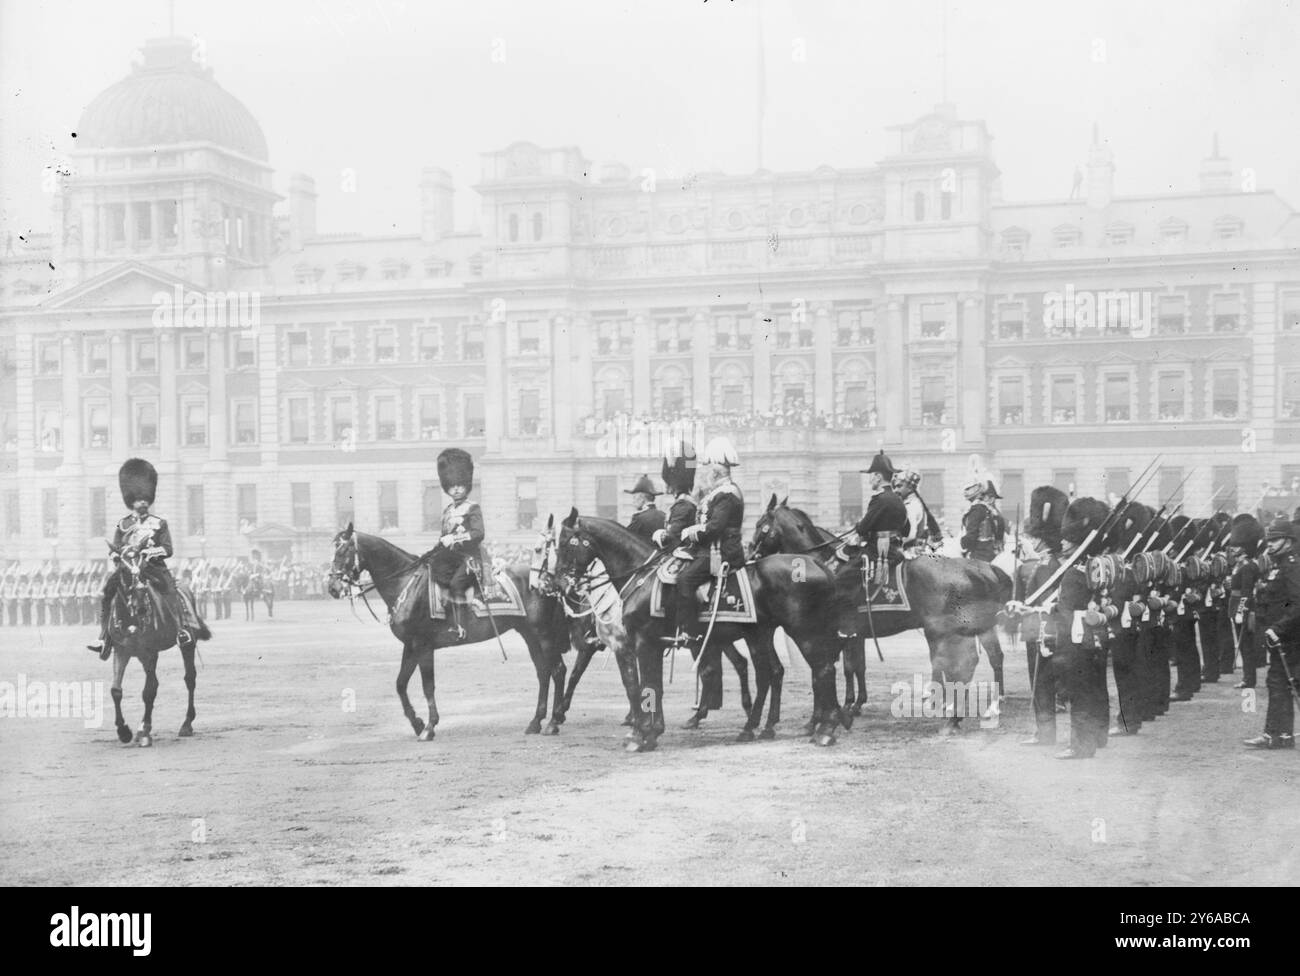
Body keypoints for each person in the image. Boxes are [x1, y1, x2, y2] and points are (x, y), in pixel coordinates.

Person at [87, 458, 195, 661]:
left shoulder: (159, 523)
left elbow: (168, 549)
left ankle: (181, 630)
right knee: (108, 593)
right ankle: (104, 638)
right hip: (128, 568)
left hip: (153, 568)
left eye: (146, 498)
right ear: (131, 501)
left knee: (170, 590)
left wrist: (149, 553)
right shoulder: (123, 524)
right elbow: (115, 548)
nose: (143, 502)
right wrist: (116, 555)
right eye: (138, 498)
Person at [670, 437, 744, 649]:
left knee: (685, 579)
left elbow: (715, 528)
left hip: (720, 552)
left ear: (717, 471)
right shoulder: (718, 493)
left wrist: (690, 532)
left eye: (709, 468)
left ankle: (690, 633)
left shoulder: (727, 494)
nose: (706, 473)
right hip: (710, 549)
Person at [835, 450, 909, 639]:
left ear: (878, 476)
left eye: (871, 476)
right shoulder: (898, 499)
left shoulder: (880, 499)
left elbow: (864, 526)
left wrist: (859, 530)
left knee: (843, 577)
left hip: (879, 550)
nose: (869, 481)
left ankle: (849, 626)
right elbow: (906, 529)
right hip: (896, 549)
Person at [1243, 519, 1300, 750]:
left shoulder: (1293, 566)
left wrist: (1278, 629)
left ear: (1288, 541)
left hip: (1290, 635)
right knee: (1281, 683)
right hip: (1281, 635)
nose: (1271, 544)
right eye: (1270, 540)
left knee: (1281, 682)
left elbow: (1297, 604)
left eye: (1276, 540)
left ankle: (1275, 735)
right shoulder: (1278, 565)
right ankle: (1280, 736)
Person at [422, 448, 485, 636]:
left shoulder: (472, 508)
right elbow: (443, 539)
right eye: (452, 485)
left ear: (466, 485)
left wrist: (455, 538)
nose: (456, 488)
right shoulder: (448, 511)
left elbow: (478, 533)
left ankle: (462, 626)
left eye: (460, 484)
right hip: (449, 559)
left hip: (469, 558)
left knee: (457, 584)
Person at [894, 468, 942, 554]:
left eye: (899, 486)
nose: (896, 490)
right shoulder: (913, 502)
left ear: (909, 488)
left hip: (911, 554)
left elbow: (911, 536)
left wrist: (897, 546)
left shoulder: (911, 505)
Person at [961, 479, 1006, 562]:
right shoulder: (994, 513)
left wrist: (961, 544)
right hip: (994, 555)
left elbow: (971, 537)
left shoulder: (977, 510)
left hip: (979, 555)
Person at [624, 474, 666, 544]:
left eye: (634, 497)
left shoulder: (638, 518)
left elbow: (626, 540)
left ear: (642, 498)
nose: (633, 501)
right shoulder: (664, 515)